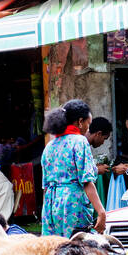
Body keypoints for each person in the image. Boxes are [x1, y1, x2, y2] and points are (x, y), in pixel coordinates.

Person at [40, 100, 108, 237]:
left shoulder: (49, 146)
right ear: (80, 121)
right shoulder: (80, 141)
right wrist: (101, 212)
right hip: (72, 206)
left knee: (55, 250)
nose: (88, 129)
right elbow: (87, 181)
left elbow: (45, 187)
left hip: (50, 207)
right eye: (88, 124)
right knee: (76, 250)